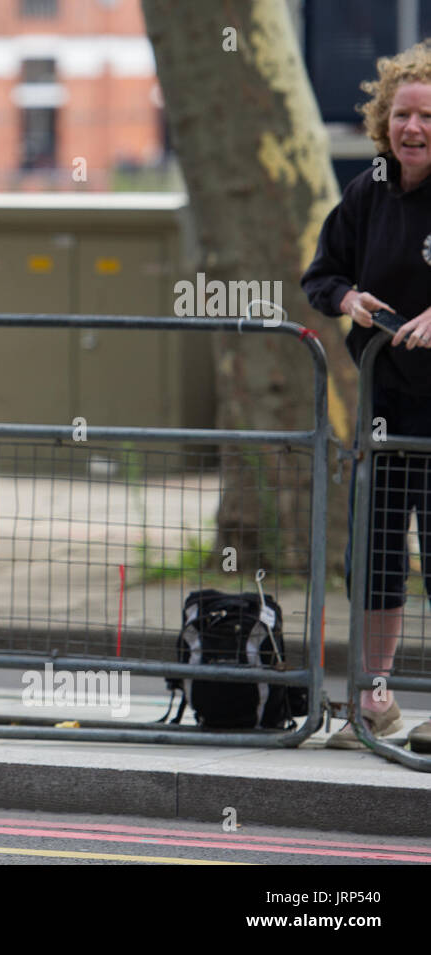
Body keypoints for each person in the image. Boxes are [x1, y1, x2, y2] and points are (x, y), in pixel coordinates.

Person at [302, 40, 431, 753]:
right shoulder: (369, 190)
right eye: (402, 115)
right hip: (383, 405)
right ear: (384, 121)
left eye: (427, 116)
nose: (413, 129)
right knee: (376, 556)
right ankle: (374, 701)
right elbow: (319, 276)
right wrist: (349, 297)